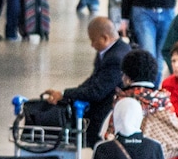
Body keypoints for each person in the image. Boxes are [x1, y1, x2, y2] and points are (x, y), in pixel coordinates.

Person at [42, 15, 135, 148]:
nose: (92, 45)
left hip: (108, 111)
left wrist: (64, 94)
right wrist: (72, 92)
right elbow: (93, 79)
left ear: (105, 38)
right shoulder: (110, 50)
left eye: (93, 40)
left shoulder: (115, 58)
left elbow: (97, 91)